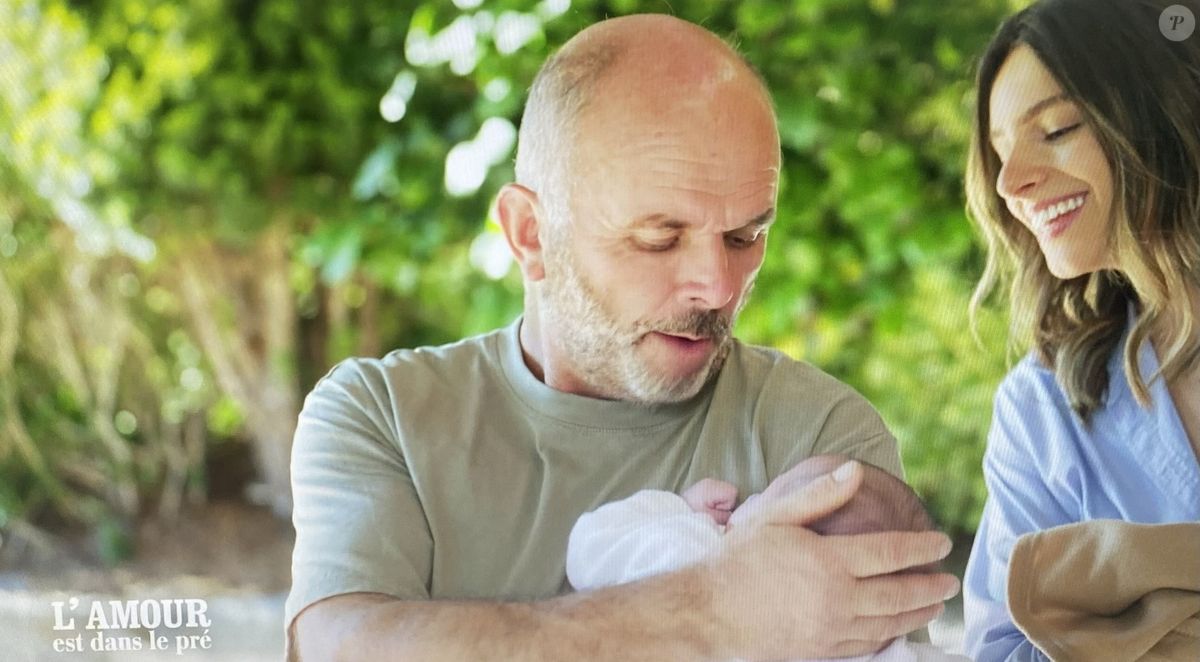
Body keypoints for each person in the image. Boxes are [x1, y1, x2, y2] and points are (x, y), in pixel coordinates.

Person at [287, 14, 959, 661]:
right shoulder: (386, 416)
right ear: (530, 235)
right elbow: (337, 648)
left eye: (745, 237)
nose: (718, 287)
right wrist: (712, 612)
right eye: (659, 239)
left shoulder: (817, 441)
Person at [960, 0, 1200, 659]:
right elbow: (1001, 649)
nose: (1011, 182)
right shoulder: (1041, 407)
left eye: (1058, 127)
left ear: (1162, 115)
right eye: (1000, 152)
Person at [566, 454, 970, 662]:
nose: (751, 494)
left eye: (768, 493)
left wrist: (679, 510)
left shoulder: (696, 553)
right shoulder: (894, 655)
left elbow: (589, 547)